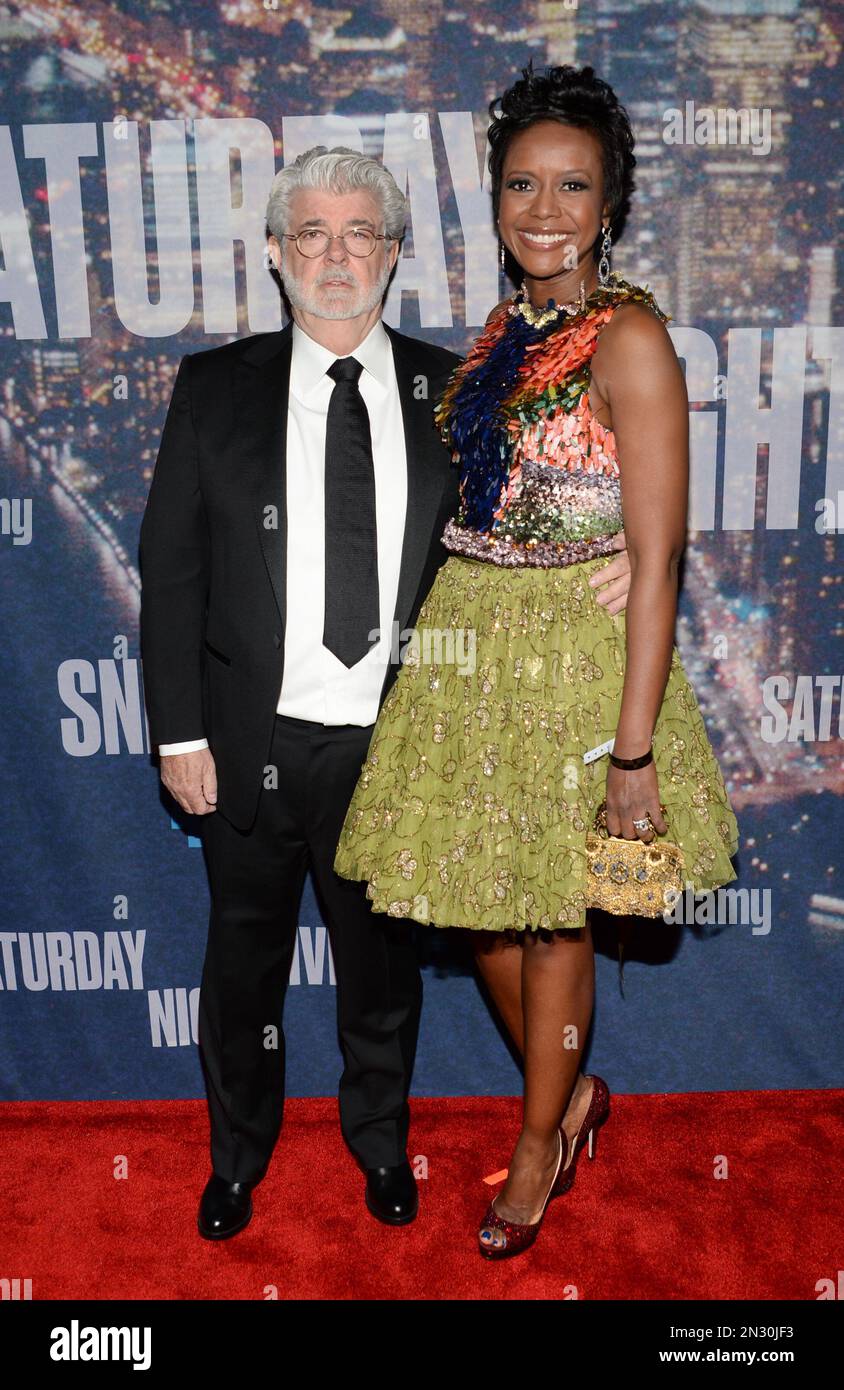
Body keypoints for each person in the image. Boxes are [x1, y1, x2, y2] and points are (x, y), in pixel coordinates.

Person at [138, 143, 636, 1240]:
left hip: (403, 749)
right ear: (275, 254)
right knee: (242, 974)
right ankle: (236, 1162)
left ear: (395, 253)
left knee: (382, 983)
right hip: (246, 738)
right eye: (310, 232)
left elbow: (550, 505)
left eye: (360, 231)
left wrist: (640, 552)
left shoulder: (458, 392)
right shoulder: (213, 391)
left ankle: (379, 1146)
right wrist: (177, 731)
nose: (335, 254)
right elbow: (171, 574)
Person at [333, 65, 740, 1259]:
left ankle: (536, 1145)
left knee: (556, 918)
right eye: (523, 183)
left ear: (608, 201)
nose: (545, 207)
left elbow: (658, 556)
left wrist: (633, 750)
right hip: (475, 650)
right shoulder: (515, 326)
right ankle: (569, 1097)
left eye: (573, 185)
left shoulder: (630, 334)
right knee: (481, 905)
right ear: (496, 195)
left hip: (576, 657)